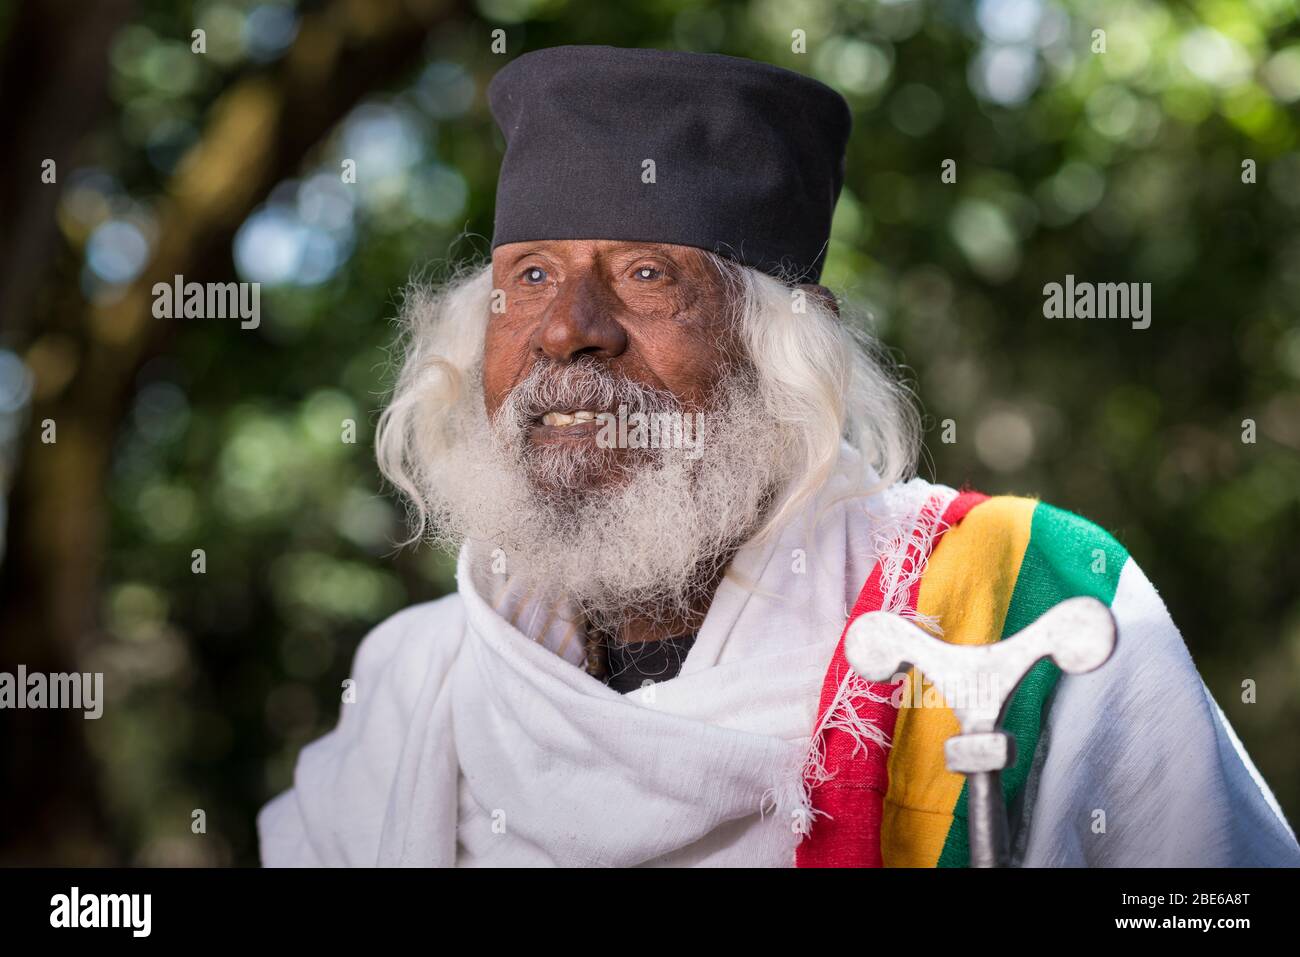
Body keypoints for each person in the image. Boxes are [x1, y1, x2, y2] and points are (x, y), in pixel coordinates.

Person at [257, 45, 1299, 867]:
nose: (569, 328)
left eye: (649, 274)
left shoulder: (1020, 611)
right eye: (528, 276)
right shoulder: (415, 678)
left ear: (781, 346)